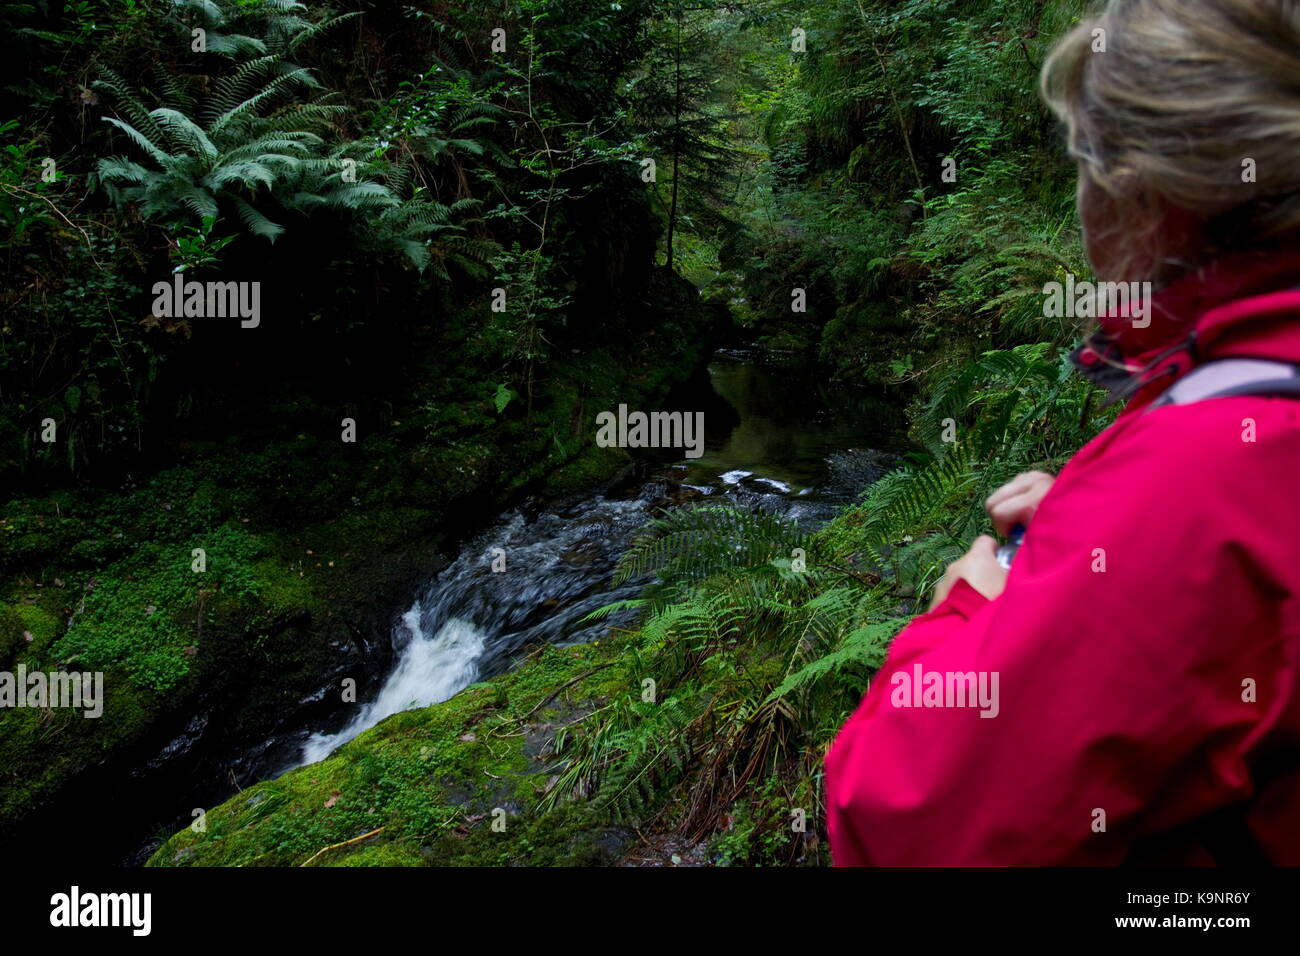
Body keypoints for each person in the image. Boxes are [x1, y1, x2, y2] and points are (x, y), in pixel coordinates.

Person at [825, 0, 1300, 865]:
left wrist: (962, 606)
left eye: (1081, 157)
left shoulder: (1198, 474)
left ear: (1145, 192)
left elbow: (899, 824)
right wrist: (1096, 514)